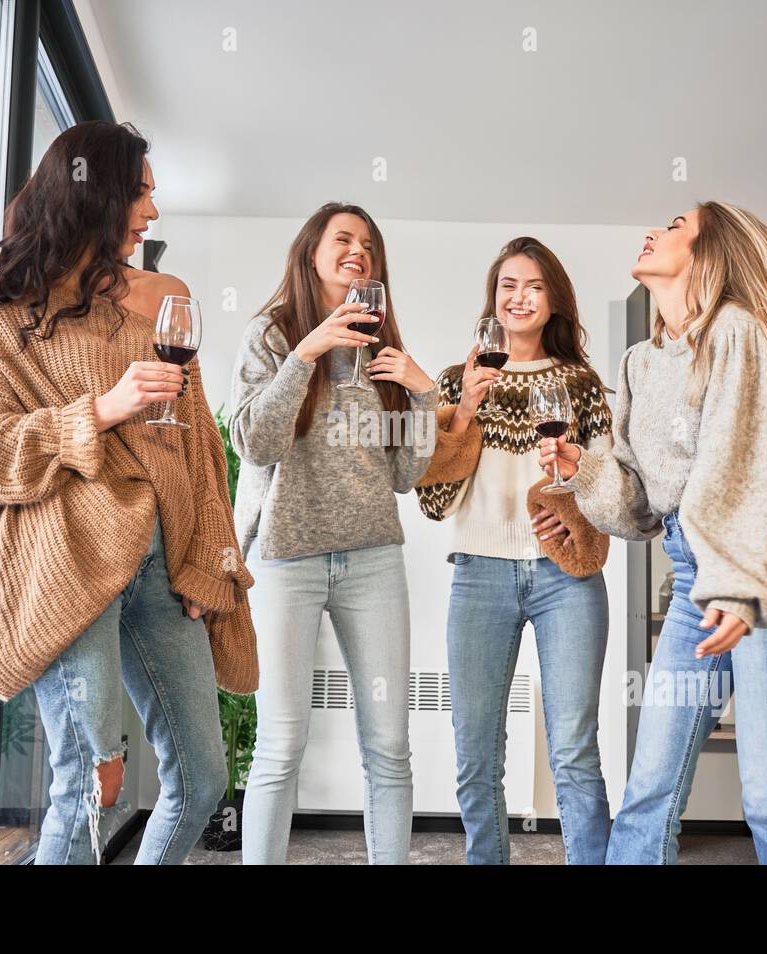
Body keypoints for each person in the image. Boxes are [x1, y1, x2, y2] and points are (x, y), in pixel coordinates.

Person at [0, 120, 257, 865]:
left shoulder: (162, 299)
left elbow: (200, 445)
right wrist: (101, 410)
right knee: (92, 784)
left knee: (203, 777)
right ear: (98, 196)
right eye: (142, 194)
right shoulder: (7, 316)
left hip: (158, 566)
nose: (153, 212)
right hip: (72, 566)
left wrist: (208, 554)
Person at [538, 201, 767, 865]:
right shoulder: (640, 362)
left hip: (763, 577)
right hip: (695, 580)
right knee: (649, 793)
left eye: (676, 225)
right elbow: (639, 507)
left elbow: (744, 465)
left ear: (709, 254)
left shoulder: (736, 332)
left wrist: (736, 584)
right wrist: (580, 467)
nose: (653, 229)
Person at [230, 202, 438, 864]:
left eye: (369, 245)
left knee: (388, 746)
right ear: (310, 253)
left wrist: (424, 398)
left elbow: (404, 474)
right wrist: (306, 352)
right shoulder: (270, 335)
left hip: (374, 561)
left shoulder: (380, 350)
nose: (359, 250)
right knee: (282, 742)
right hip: (287, 559)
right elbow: (256, 442)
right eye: (344, 239)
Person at [417, 236, 615, 864]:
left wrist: (575, 488)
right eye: (507, 284)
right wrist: (465, 407)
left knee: (574, 751)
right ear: (493, 297)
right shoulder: (458, 379)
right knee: (476, 750)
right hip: (480, 576)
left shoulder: (580, 385)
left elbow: (609, 492)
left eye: (532, 285)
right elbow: (433, 502)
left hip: (566, 580)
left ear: (554, 298)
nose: (518, 296)